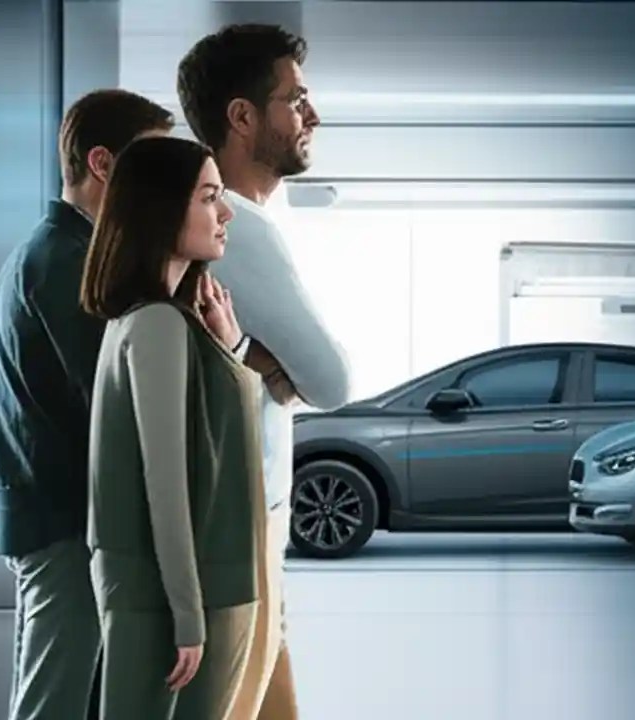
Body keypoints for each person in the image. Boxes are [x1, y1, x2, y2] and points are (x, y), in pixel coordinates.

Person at [178, 23, 353, 719]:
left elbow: (305, 372)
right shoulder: (240, 229)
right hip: (236, 534)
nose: (313, 115)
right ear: (243, 116)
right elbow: (332, 380)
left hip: (250, 527)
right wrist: (268, 362)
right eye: (295, 99)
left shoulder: (230, 225)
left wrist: (259, 356)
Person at [0, 89, 174, 720]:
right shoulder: (65, 260)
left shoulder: (49, 251)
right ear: (102, 164)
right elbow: (114, 395)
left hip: (53, 513)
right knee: (53, 700)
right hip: (64, 520)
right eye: (145, 164)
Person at [80, 135, 261, 720]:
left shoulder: (149, 319)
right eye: (209, 196)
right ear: (161, 207)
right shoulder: (158, 324)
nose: (226, 211)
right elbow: (166, 482)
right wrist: (188, 614)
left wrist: (231, 347)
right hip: (188, 594)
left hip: (182, 588)